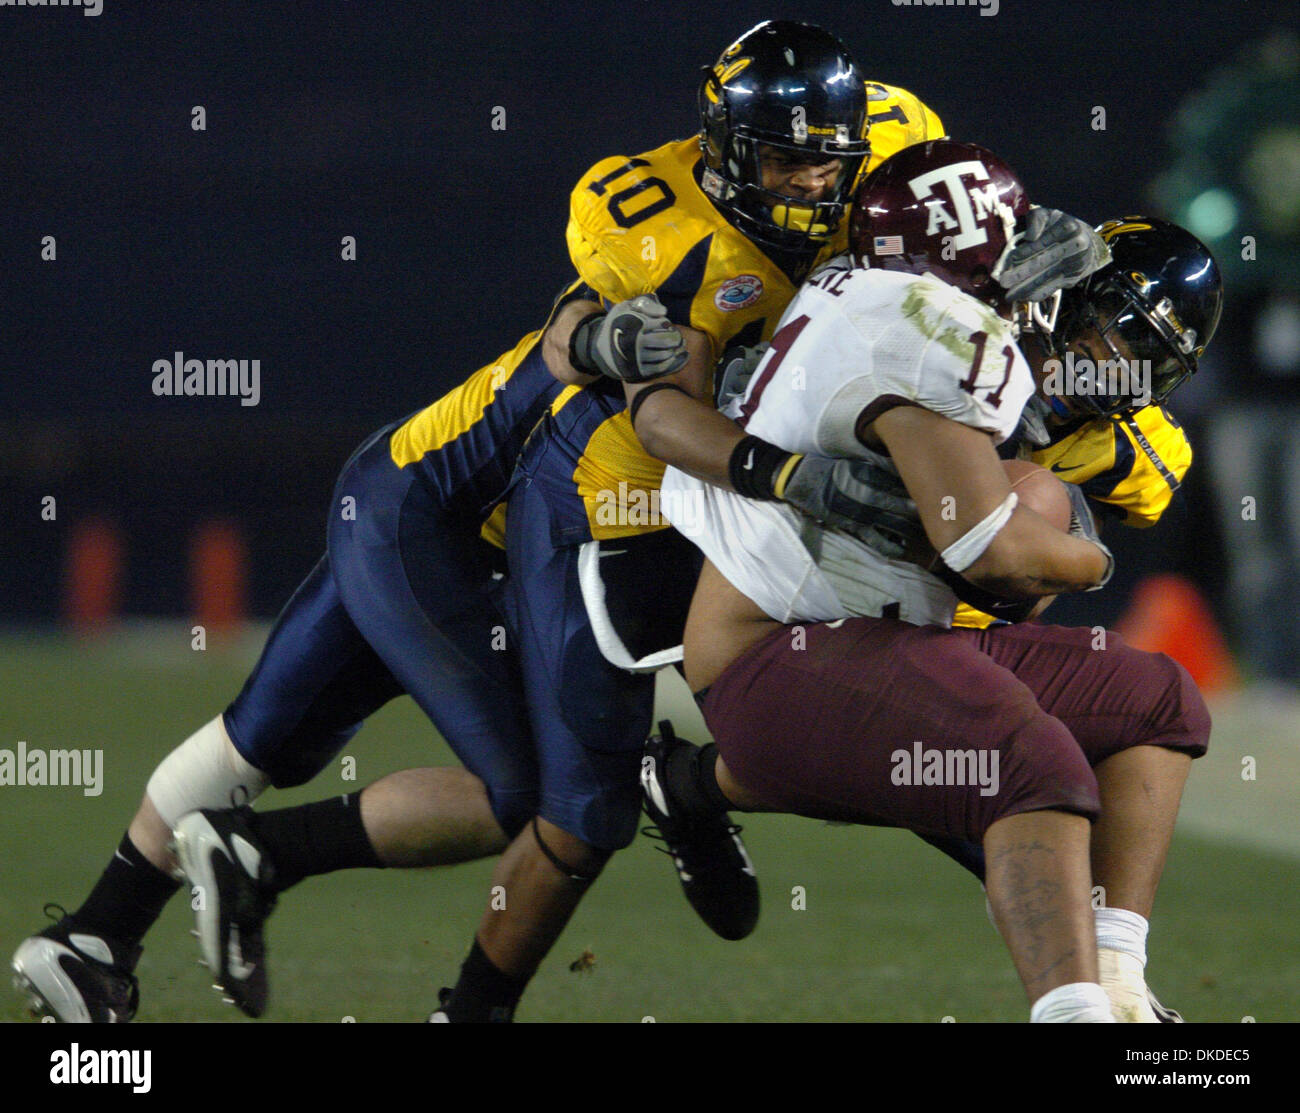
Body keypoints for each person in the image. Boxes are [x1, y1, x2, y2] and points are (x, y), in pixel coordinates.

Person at [13, 19, 978, 1024]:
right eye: (783, 164)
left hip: (510, 511)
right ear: (725, 145)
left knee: (266, 738)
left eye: (826, 168)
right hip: (434, 516)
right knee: (538, 796)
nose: (810, 190)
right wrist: (615, 342)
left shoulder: (887, 146)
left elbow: (946, 209)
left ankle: (92, 939)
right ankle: (297, 861)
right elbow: (575, 338)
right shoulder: (655, 221)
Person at [650, 141, 1220, 1020]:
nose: (1026, 261)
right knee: (1031, 760)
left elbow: (991, 565)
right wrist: (1091, 556)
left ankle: (1118, 987)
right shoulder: (936, 334)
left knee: (1158, 696)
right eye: (1004, 243)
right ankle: (1075, 1018)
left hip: (875, 627)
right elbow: (989, 552)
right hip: (780, 648)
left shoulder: (885, 296)